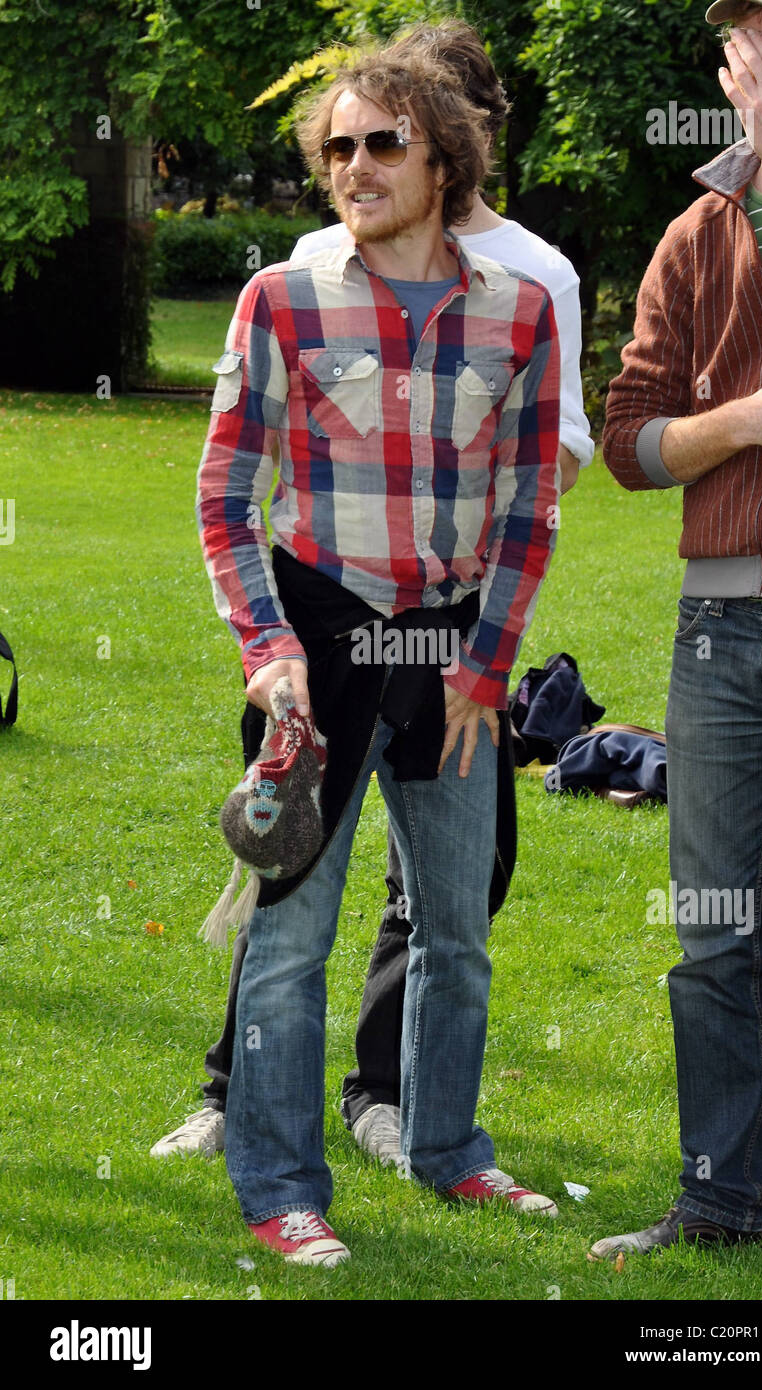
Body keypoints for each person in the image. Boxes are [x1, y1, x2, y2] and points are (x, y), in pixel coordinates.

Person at [151, 21, 592, 1165]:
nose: (355, 167)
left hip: (453, 653)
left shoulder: (522, 311)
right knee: (291, 933)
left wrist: (491, 663)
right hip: (320, 634)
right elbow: (224, 496)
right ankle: (280, 1180)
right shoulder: (280, 300)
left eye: (383, 144)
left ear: (444, 161)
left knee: (456, 933)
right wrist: (266, 645)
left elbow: (531, 503)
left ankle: (449, 1153)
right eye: (338, 148)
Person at [591, 0, 762, 1259]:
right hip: (721, 635)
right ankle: (724, 1200)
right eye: (746, 44)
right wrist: (747, 422)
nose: (752, 64)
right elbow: (629, 439)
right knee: (715, 931)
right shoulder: (694, 233)